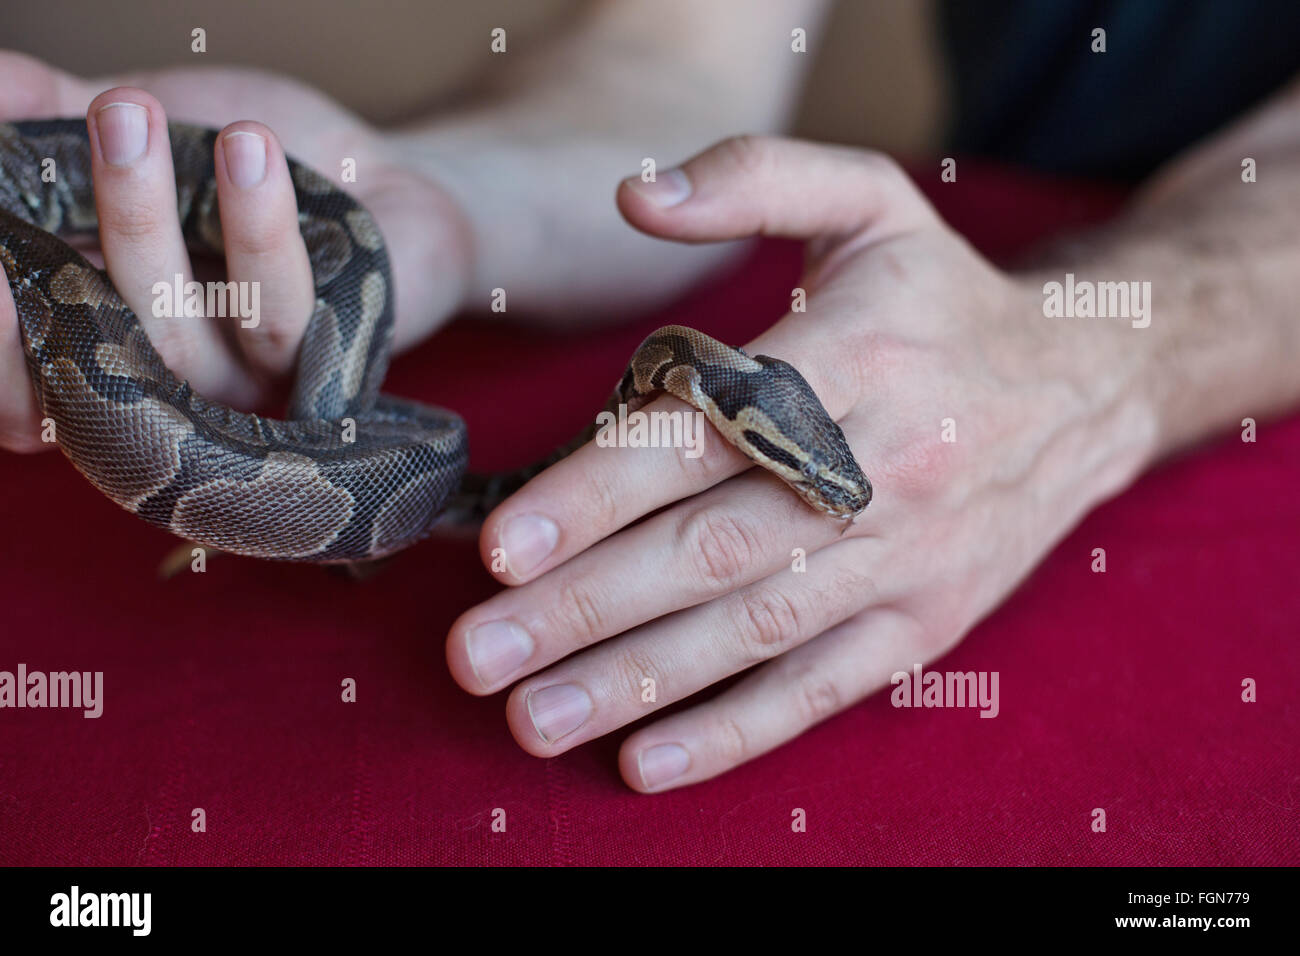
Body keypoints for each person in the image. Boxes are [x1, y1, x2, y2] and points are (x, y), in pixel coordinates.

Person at [1, 0, 1297, 792]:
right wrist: (426, 194)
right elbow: (672, 60)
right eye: (803, 469)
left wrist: (1098, 363)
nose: (815, 493)